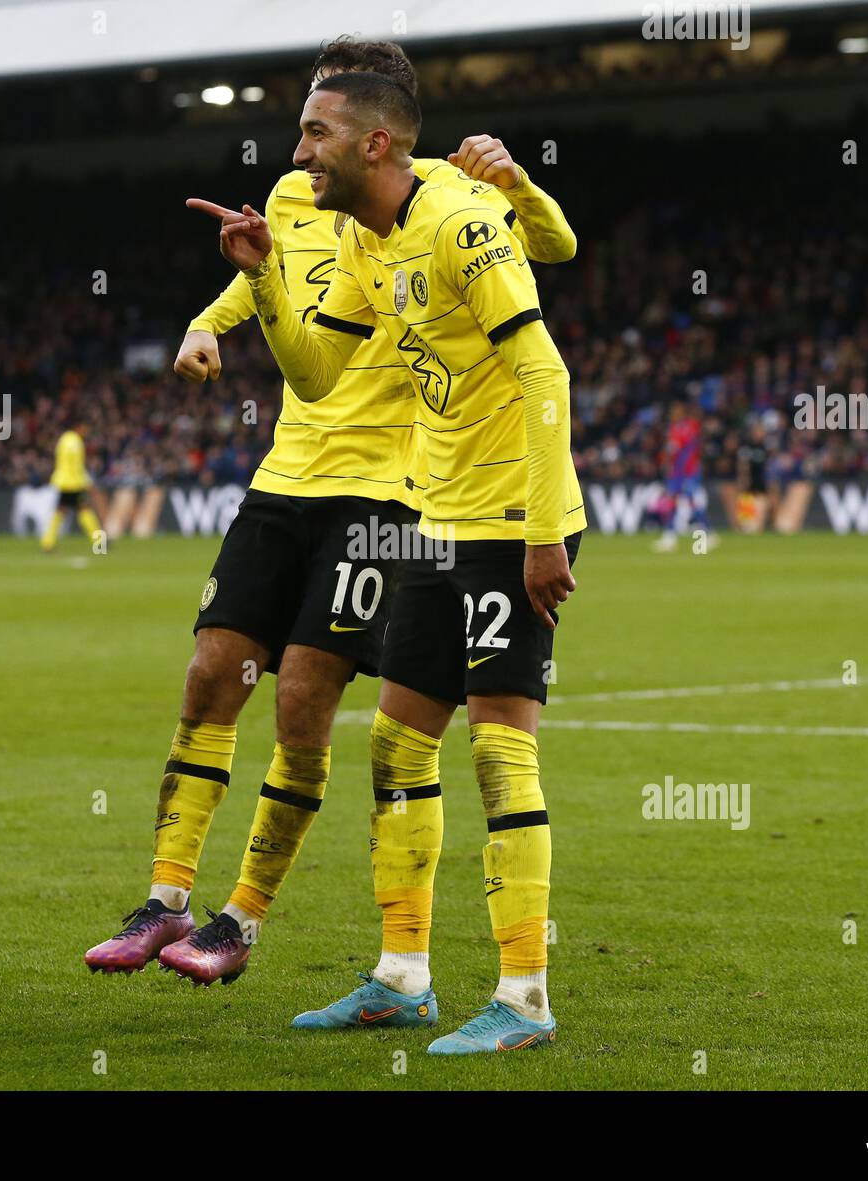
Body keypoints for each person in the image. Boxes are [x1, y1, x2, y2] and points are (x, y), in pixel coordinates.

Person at [84, 37, 576, 985]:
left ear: (377, 137)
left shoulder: (446, 200)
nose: (300, 147)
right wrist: (230, 301)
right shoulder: (314, 207)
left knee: (313, 698)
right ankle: (174, 899)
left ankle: (245, 920)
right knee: (213, 675)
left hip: (399, 491)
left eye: (317, 127)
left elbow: (550, 260)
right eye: (302, 125)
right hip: (291, 477)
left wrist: (517, 182)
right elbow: (306, 359)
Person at [653, 401, 716, 551]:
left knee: (692, 502)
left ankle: (710, 532)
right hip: (676, 472)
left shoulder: (690, 426)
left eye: (676, 412)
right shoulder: (674, 429)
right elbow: (672, 451)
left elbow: (689, 449)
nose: (673, 415)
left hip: (688, 472)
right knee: (672, 503)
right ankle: (669, 537)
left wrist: (690, 467)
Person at [41, 423, 102, 552]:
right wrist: (86, 482)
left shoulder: (64, 439)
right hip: (74, 483)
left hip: (63, 482)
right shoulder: (75, 442)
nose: (86, 431)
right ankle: (100, 543)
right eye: (84, 428)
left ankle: (47, 543)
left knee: (60, 512)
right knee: (86, 511)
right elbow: (76, 465)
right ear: (78, 427)